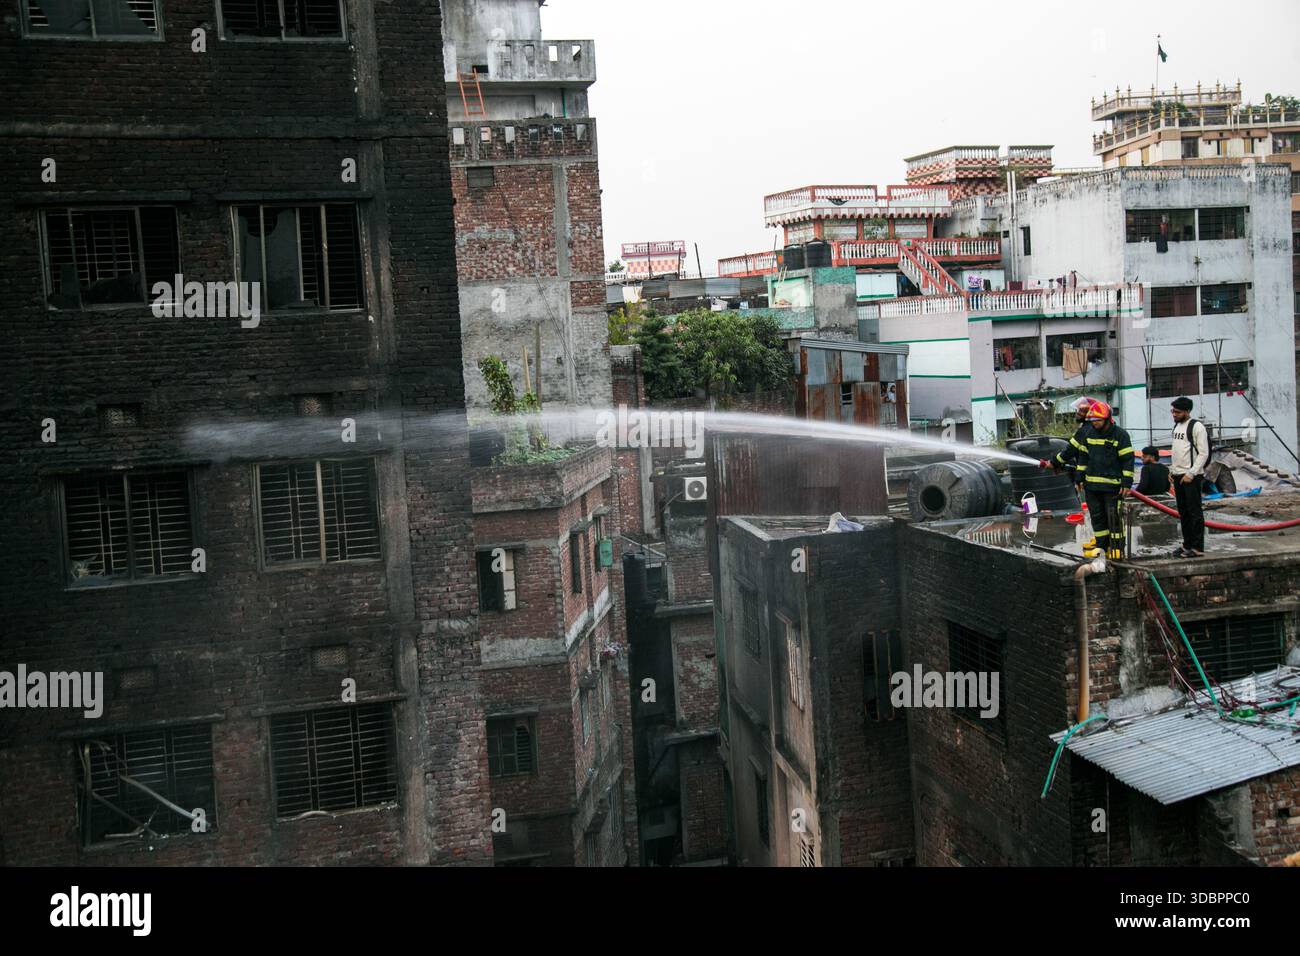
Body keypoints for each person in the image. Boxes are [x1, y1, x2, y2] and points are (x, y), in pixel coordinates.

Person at [1044, 400, 1134, 559]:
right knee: (1098, 519)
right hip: (1092, 486)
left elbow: (1128, 460)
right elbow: (1083, 458)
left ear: (1107, 419)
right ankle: (1101, 547)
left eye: (1097, 420)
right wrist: (1079, 479)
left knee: (1113, 519)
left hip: (1112, 487)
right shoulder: (1089, 433)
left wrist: (1126, 483)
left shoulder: (1120, 435)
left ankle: (1117, 548)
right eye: (1092, 420)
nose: (1095, 423)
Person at [1169, 396, 1209, 557]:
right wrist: (1172, 471)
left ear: (1187, 411)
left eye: (1177, 412)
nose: (1174, 414)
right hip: (1178, 475)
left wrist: (1191, 473)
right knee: (1183, 512)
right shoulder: (1177, 427)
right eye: (1173, 411)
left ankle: (1197, 547)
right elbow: (1177, 451)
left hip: (1191, 476)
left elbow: (1203, 453)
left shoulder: (1196, 426)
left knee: (1194, 512)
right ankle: (1187, 544)